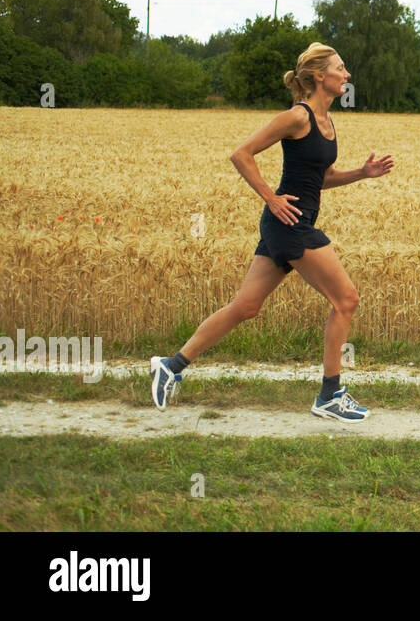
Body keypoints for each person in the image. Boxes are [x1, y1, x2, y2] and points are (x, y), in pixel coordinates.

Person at [148, 42, 394, 422]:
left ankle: (172, 365)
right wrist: (272, 197)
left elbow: (320, 178)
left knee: (245, 307)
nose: (347, 75)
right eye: (340, 68)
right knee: (346, 299)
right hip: (290, 224)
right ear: (319, 77)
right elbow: (241, 154)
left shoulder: (328, 122)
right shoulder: (297, 117)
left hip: (291, 224)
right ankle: (330, 395)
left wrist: (361, 174)